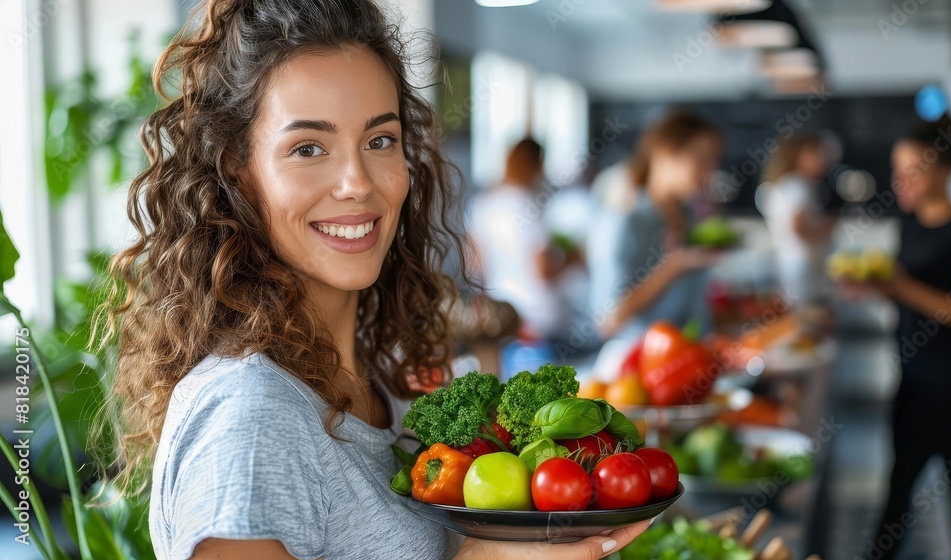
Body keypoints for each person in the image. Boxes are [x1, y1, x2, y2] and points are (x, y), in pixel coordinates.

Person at [95, 1, 648, 558]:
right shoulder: (253, 417)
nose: (357, 183)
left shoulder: (375, 386)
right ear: (237, 167)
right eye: (308, 148)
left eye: (380, 140)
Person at [864, 114, 951, 559]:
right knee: (906, 490)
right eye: (897, 171)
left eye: (913, 171)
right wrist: (883, 291)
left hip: (949, 386)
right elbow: (915, 306)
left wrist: (902, 287)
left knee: (927, 492)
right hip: (913, 380)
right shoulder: (909, 224)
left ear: (944, 170)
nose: (900, 181)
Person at [597, 112, 724, 339]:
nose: (710, 171)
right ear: (665, 154)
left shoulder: (690, 216)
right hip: (640, 360)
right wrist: (675, 265)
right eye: (702, 159)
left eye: (714, 160)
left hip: (692, 353)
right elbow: (608, 320)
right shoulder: (627, 222)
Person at [469, 138, 583, 341]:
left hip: (501, 314)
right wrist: (574, 258)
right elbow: (542, 270)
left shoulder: (481, 204)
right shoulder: (527, 203)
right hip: (538, 316)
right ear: (534, 165)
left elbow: (474, 267)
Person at [760, 133, 836, 305]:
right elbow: (797, 227)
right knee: (812, 318)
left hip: (787, 264)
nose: (822, 159)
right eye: (815, 153)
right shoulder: (800, 185)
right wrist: (825, 230)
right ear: (798, 155)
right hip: (805, 267)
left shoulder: (782, 183)